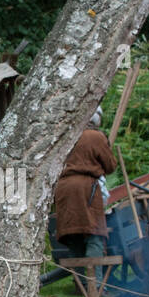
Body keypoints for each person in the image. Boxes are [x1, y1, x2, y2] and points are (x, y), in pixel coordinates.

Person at [53, 107, 117, 271]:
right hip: (85, 189)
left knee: (73, 234)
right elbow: (110, 166)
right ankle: (93, 286)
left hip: (63, 189)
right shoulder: (95, 136)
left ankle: (81, 286)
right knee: (93, 234)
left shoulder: (62, 136)